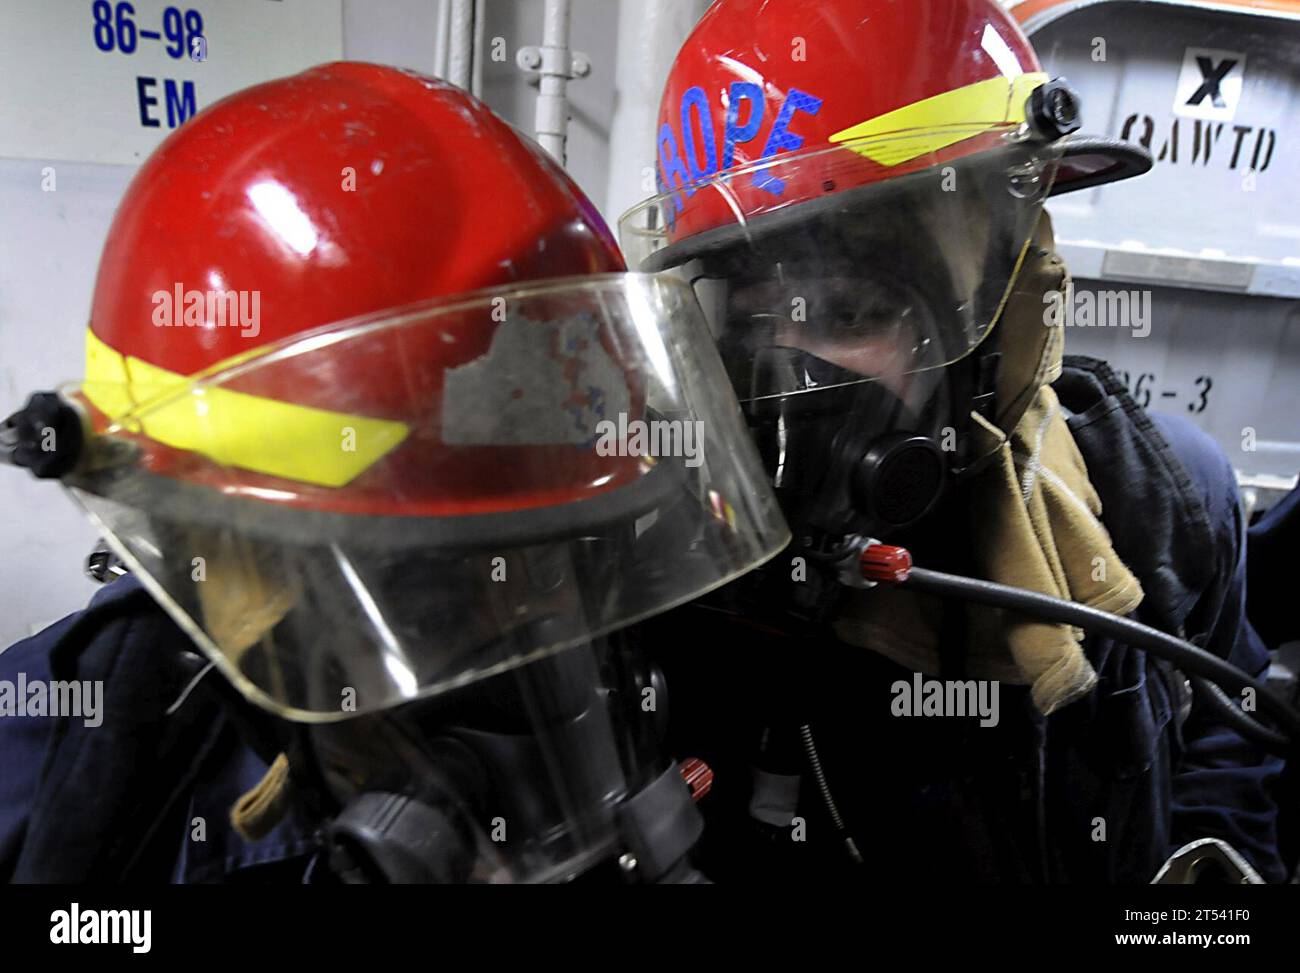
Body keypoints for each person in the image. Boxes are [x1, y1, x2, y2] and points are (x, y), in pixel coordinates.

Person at [0, 62, 788, 882]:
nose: (531, 628)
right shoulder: (62, 785)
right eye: (437, 583)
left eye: (560, 558)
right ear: (228, 556)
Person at [618, 0, 1288, 883]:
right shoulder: (667, 596)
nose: (789, 374)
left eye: (846, 311)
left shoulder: (1157, 501)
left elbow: (1228, 730)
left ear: (994, 315)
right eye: (750, 323)